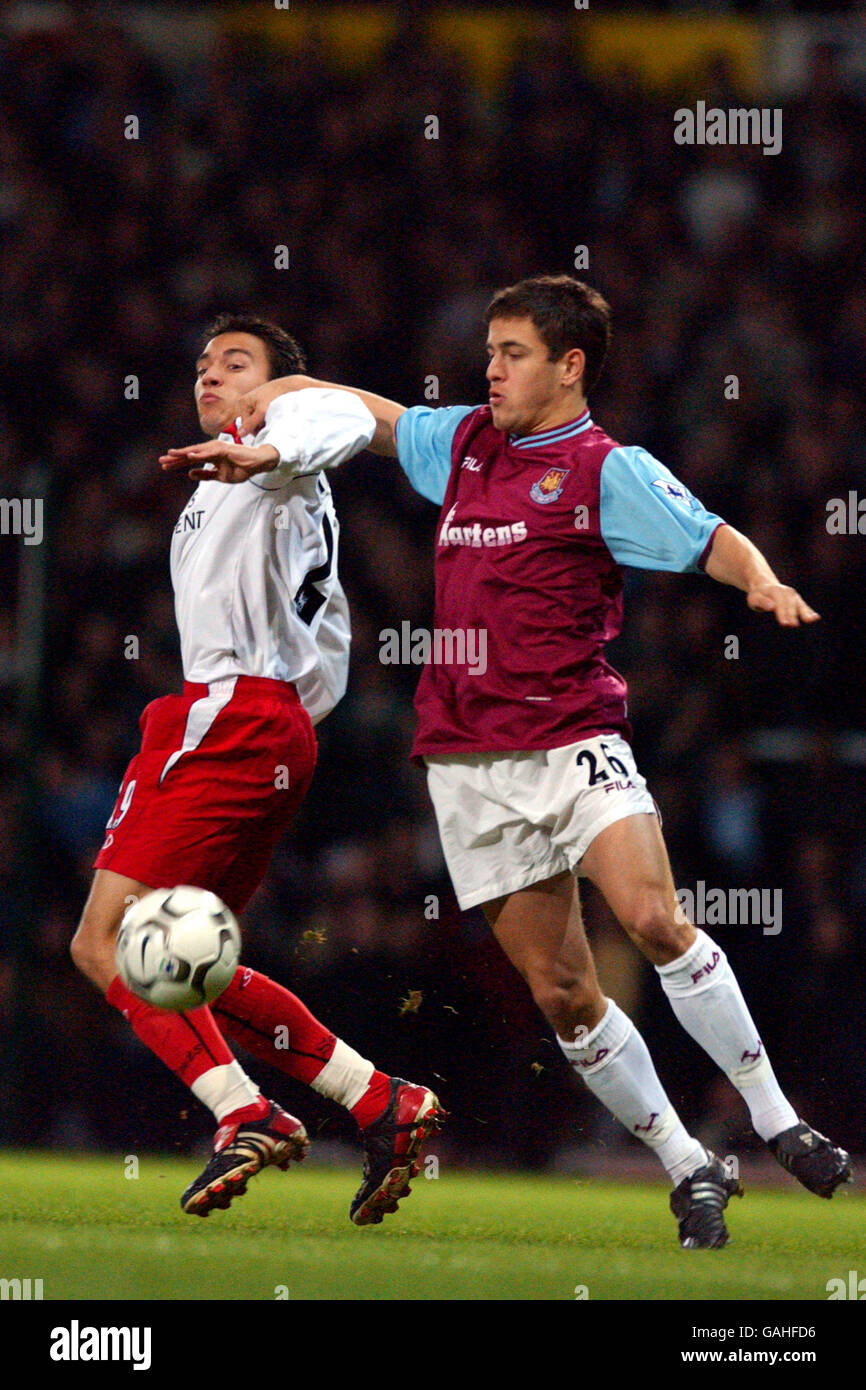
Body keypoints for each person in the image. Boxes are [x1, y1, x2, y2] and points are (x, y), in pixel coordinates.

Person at [225, 276, 851, 1249]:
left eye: (510, 353)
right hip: (466, 765)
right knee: (561, 993)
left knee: (649, 915)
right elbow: (383, 422)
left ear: (568, 365)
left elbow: (706, 536)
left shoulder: (603, 468)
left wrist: (762, 579)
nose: (491, 369)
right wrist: (294, 390)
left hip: (570, 738)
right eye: (489, 351)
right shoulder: (467, 443)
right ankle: (689, 1165)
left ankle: (776, 1119)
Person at [71, 312, 442, 1225]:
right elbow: (329, 641)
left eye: (236, 363)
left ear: (277, 383)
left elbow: (336, 418)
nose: (210, 374)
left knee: (104, 942)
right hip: (259, 724)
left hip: (232, 716)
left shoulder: (285, 441)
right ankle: (379, 1100)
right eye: (201, 362)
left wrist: (268, 446)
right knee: (191, 969)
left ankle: (246, 1112)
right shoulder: (229, 470)